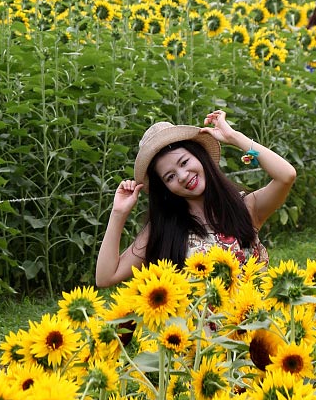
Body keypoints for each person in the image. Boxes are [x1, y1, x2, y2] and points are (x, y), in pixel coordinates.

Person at [95, 112, 296, 287]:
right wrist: (118, 213)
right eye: (170, 177)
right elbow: (105, 277)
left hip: (253, 326)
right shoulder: (164, 228)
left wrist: (234, 137)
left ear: (200, 157)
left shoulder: (244, 208)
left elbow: (286, 176)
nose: (182, 176)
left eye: (184, 162)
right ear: (165, 189)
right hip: (197, 330)